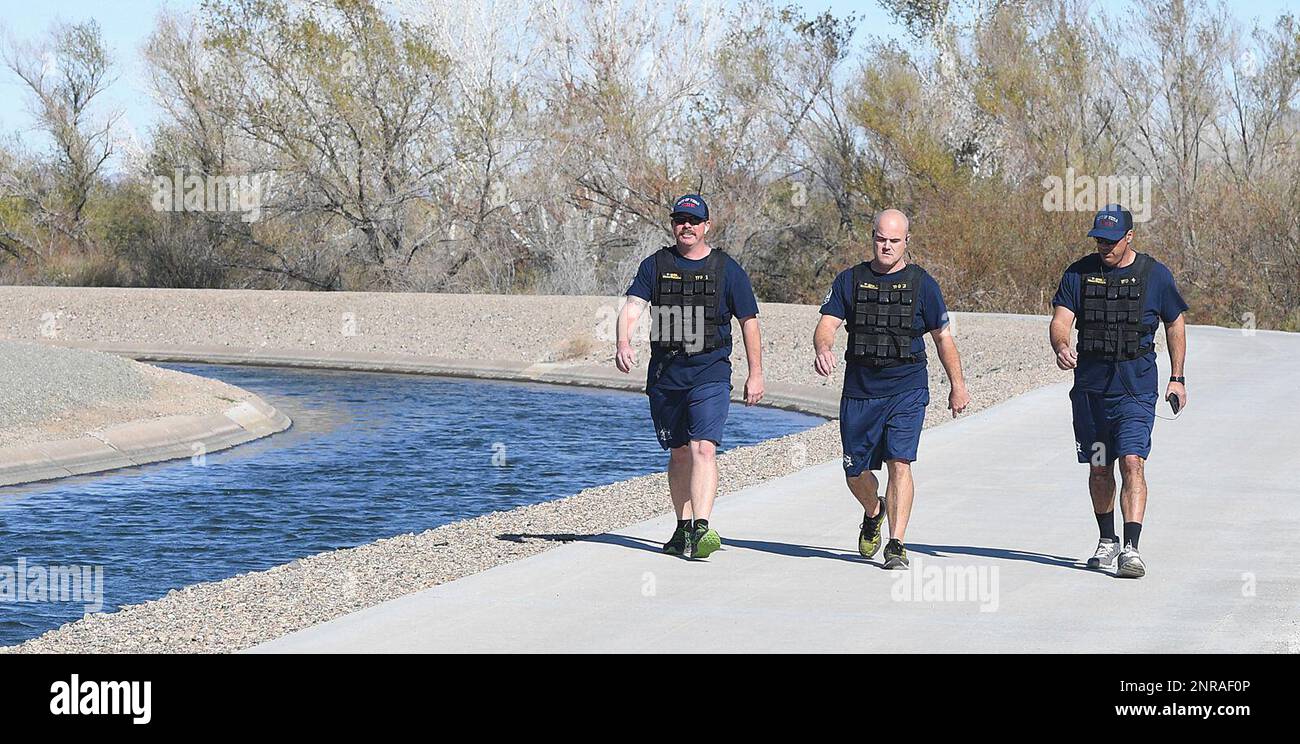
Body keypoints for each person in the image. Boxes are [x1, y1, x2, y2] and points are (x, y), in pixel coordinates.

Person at [812, 209, 969, 569]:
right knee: (854, 471)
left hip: (907, 387)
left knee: (900, 461)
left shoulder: (922, 284)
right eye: (881, 239)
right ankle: (875, 509)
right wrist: (823, 348)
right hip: (860, 390)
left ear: (906, 242)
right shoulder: (849, 280)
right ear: (872, 237)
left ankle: (896, 544)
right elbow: (827, 325)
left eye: (894, 241)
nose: (886, 246)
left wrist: (957, 385)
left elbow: (943, 337)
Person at [615, 194, 764, 559]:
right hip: (666, 373)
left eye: (694, 221)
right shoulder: (655, 265)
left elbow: (749, 322)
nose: (687, 226)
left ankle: (702, 527)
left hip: (710, 369)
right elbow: (633, 306)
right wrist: (623, 341)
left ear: (706, 226)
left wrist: (756, 373)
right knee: (680, 452)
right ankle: (682, 529)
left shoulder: (727, 269)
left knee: (702, 447)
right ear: (673, 225)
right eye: (680, 220)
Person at [1049, 204, 1188, 579]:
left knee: (1132, 462)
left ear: (1129, 237)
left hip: (1136, 390)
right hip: (1091, 393)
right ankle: (1106, 539)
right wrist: (1062, 345)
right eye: (1099, 240)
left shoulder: (1154, 275)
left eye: (1111, 241)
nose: (1104, 247)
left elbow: (1175, 323)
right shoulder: (1079, 274)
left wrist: (1178, 377)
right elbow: (1060, 321)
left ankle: (1131, 547)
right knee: (1099, 467)